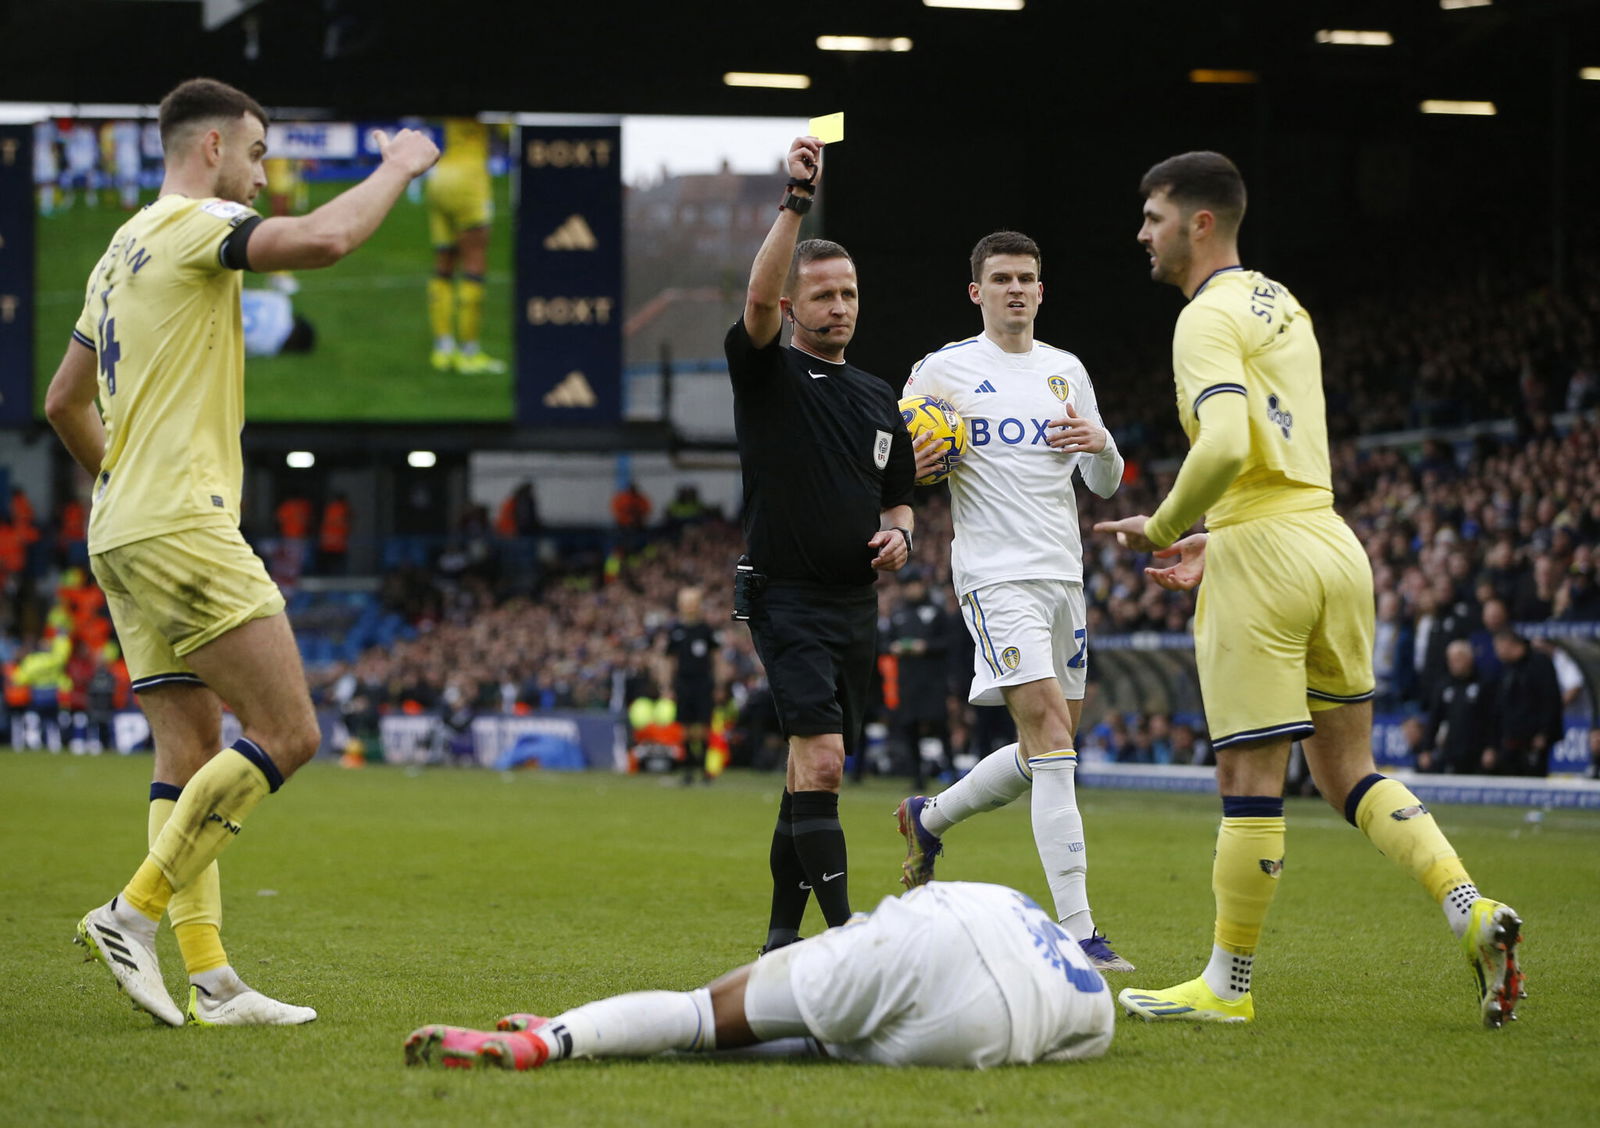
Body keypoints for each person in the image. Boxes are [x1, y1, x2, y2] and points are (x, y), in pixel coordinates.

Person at [1095, 150, 1523, 1027]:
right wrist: (1230, 532)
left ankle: (1227, 986)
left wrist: (1169, 526)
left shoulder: (1202, 317)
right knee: (1345, 769)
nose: (1141, 232)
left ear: (1200, 222)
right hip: (1332, 543)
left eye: (1153, 215)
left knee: (1250, 776)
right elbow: (1277, 456)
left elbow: (1222, 447)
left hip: (1265, 558)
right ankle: (1469, 907)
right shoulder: (1283, 301)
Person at [45, 77, 438, 1028]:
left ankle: (213, 983)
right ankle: (130, 914)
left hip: (123, 526)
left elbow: (63, 402)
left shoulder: (117, 248)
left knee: (187, 747)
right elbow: (330, 240)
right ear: (213, 146)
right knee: (293, 731)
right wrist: (398, 164)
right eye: (258, 154)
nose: (263, 178)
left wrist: (120, 483)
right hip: (181, 520)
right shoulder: (195, 220)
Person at [894, 230, 1131, 973]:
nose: (1017, 290)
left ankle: (927, 819)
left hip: (1064, 575)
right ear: (977, 292)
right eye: (1002, 279)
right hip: (994, 578)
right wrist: (913, 465)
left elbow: (1105, 484)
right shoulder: (944, 370)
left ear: (1041, 288)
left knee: (1044, 751)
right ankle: (1080, 934)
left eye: (1027, 278)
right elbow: (891, 457)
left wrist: (1101, 442)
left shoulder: (1067, 372)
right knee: (1055, 746)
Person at [724, 134, 916, 953]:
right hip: (787, 596)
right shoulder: (769, 373)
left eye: (848, 293)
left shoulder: (879, 397)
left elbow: (900, 496)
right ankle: (845, 939)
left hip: (854, 605)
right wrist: (795, 204)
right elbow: (756, 303)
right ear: (795, 308)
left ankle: (778, 940)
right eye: (823, 295)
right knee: (827, 761)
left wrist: (900, 536)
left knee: (811, 775)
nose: (838, 306)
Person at [403, 881, 1113, 1071]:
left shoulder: (879, 940)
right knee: (824, 1047)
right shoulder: (1093, 993)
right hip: (1016, 1019)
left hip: (938, 938)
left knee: (703, 1016)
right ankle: (594, 1035)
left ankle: (554, 1040)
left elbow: (707, 1020)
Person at [425, 117, 504, 375]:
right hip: (470, 177)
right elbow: (506, 129)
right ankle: (469, 352)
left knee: (444, 264)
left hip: (440, 173)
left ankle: (443, 349)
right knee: (474, 261)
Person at [882, 568, 952, 791]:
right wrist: (894, 648)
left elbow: (948, 643)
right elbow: (884, 643)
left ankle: (951, 772)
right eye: (907, 586)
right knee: (910, 728)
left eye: (914, 584)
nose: (911, 590)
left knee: (940, 727)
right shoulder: (898, 613)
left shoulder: (937, 611)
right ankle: (917, 776)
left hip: (933, 681)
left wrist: (926, 647)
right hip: (907, 682)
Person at [661, 586, 718, 785]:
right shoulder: (675, 630)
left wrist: (718, 684)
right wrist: (667, 686)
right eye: (686, 602)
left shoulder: (706, 630)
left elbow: (716, 657)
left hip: (703, 683)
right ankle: (687, 770)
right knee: (684, 728)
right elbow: (669, 660)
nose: (689, 606)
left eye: (693, 601)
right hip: (683, 683)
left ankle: (703, 770)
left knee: (703, 727)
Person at [1486, 632, 1562, 776]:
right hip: (1509, 741)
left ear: (1508, 643)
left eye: (1497, 646)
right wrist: (1493, 744)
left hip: (1534, 742)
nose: (1496, 652)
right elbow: (1499, 709)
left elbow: (1550, 699)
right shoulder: (1507, 669)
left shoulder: (1539, 663)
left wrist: (1544, 733)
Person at [1420, 639, 1495, 774]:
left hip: (1477, 751)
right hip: (1451, 750)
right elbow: (1434, 719)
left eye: (1458, 659)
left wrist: (1491, 747)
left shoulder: (1485, 684)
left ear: (1469, 658)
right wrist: (1426, 749)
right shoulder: (1444, 686)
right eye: (1451, 660)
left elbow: (1493, 718)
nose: (1454, 664)